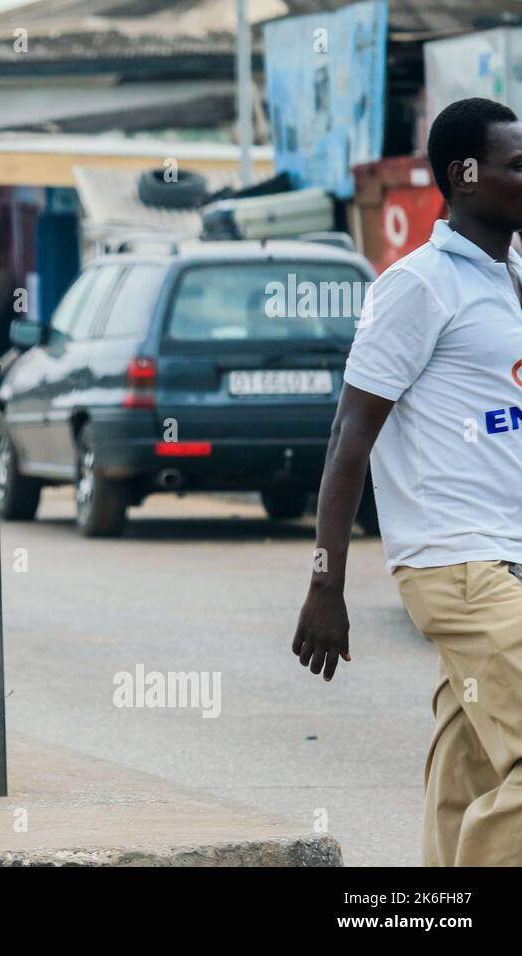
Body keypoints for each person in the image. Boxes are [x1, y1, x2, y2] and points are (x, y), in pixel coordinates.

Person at [292, 98, 522, 865]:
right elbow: (350, 434)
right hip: (459, 563)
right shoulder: (417, 286)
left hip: (505, 557)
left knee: (472, 765)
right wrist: (327, 582)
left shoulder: (512, 276)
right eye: (516, 164)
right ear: (465, 175)